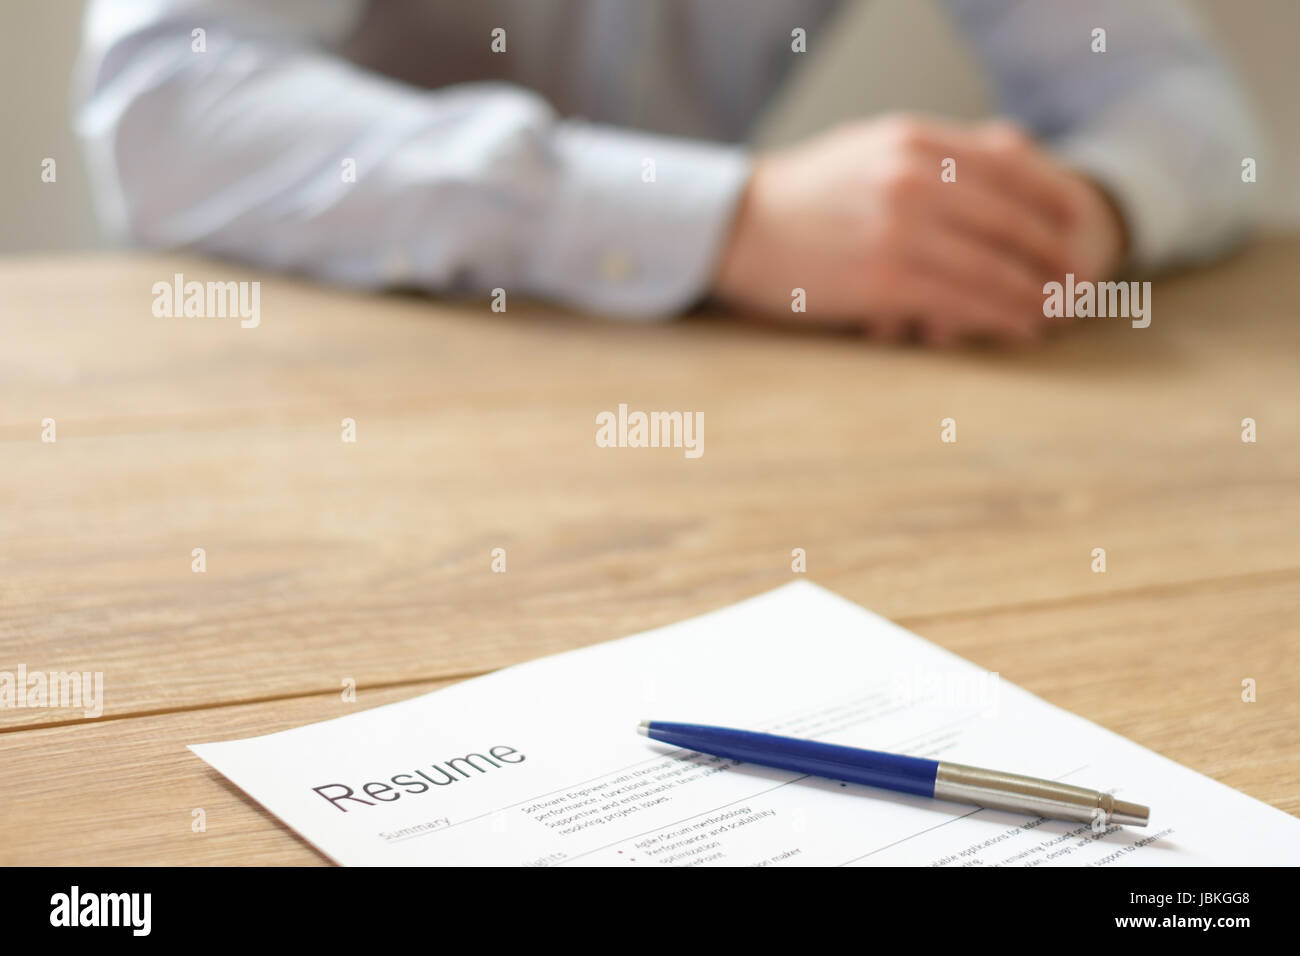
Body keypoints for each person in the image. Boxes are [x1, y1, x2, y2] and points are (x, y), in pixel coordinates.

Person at [75, 0, 1262, 345]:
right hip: (301, 368)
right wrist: (736, 221)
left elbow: (1184, 106)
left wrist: (1071, 216)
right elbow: (166, 104)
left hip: (728, 398)